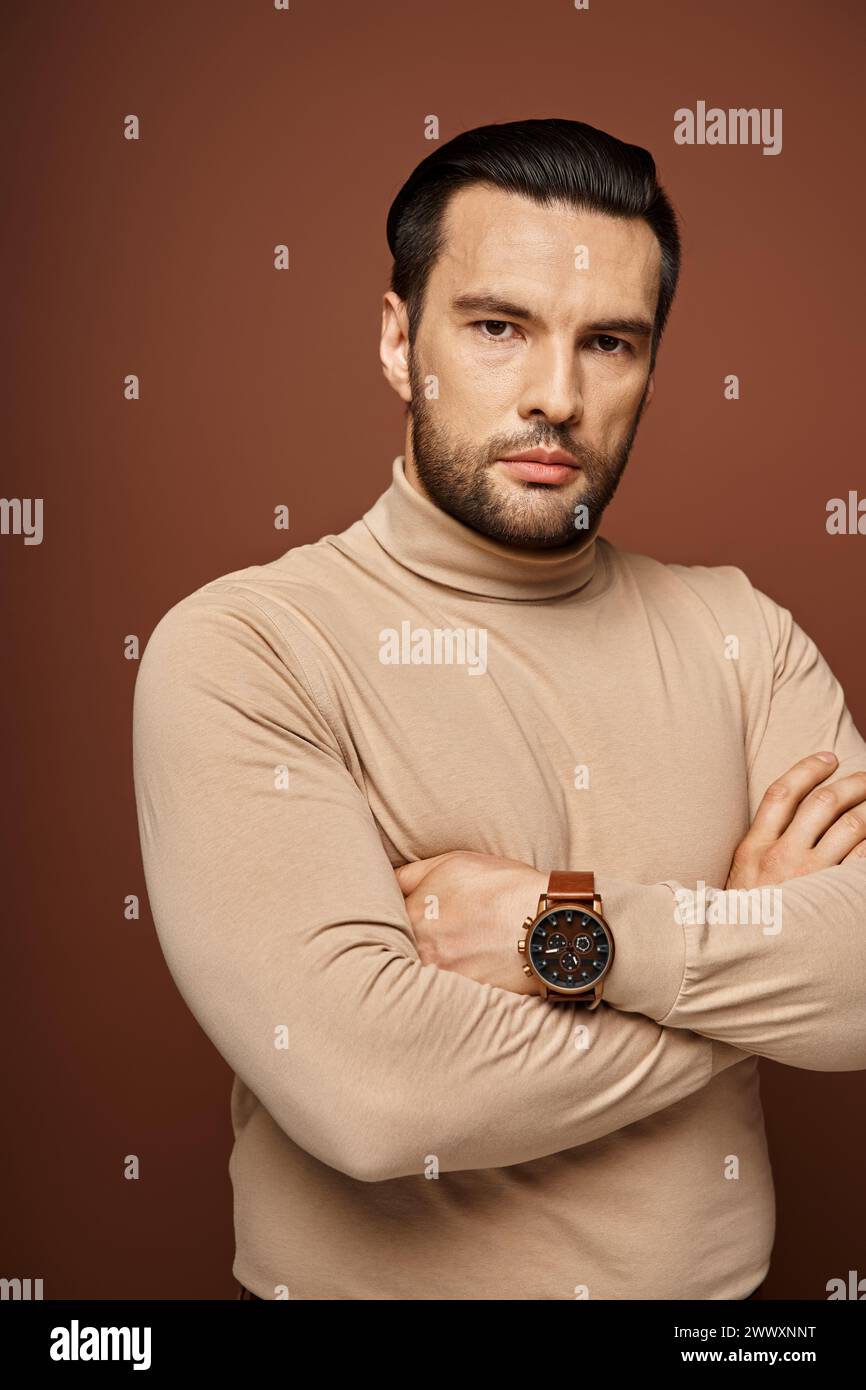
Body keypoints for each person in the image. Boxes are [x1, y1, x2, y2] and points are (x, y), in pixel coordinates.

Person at [132, 119, 866, 1301]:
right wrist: (747, 954)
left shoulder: (741, 633)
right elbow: (374, 1095)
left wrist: (560, 932)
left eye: (610, 343)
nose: (556, 397)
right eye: (496, 328)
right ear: (395, 338)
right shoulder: (248, 648)